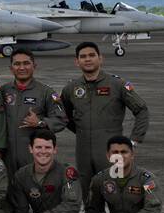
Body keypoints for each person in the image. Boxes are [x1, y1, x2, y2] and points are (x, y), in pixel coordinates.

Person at [61, 42, 150, 188]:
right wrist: (81, 130)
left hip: (113, 151)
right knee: (88, 194)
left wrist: (134, 140)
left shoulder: (117, 85)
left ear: (100, 59)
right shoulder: (71, 88)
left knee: (116, 194)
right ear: (77, 62)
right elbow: (63, 115)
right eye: (83, 57)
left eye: (92, 55)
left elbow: (141, 109)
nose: (88, 59)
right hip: (83, 152)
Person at [2, 48, 68, 176]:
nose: (22, 67)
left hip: (33, 157)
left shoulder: (46, 93)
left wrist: (40, 122)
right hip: (6, 156)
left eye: (26, 63)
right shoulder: (3, 91)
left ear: (34, 66)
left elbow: (61, 119)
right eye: (17, 64)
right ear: (11, 68)